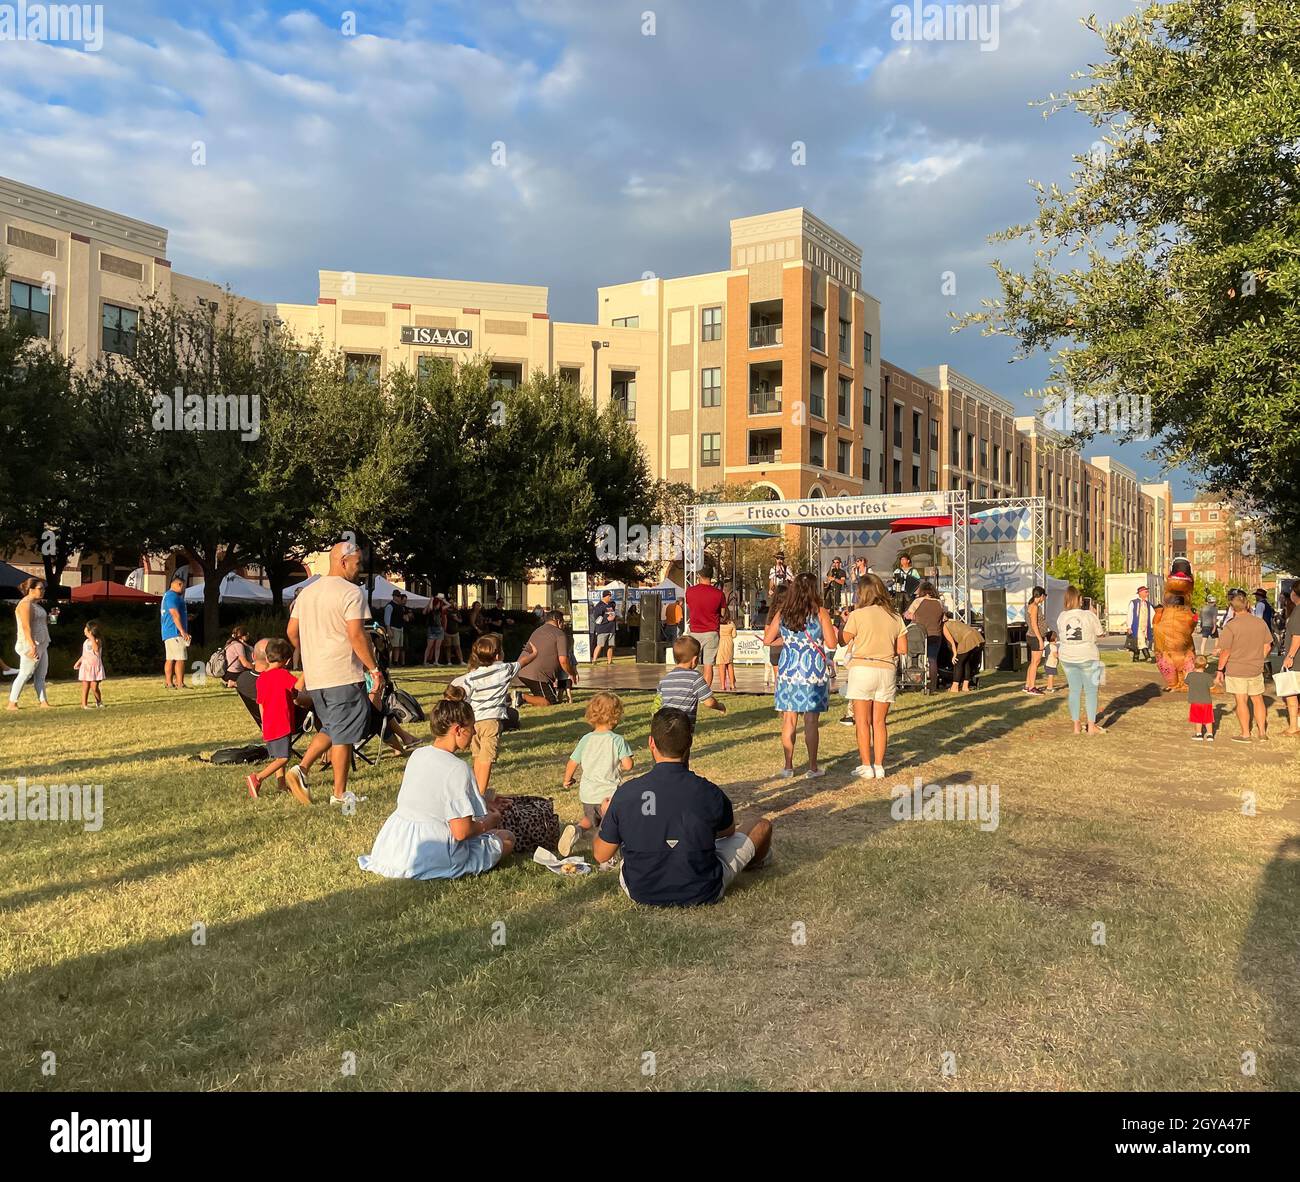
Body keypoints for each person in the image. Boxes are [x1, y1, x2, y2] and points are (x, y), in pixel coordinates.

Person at [592, 707, 773, 907]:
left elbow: (601, 855)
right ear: (689, 743)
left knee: (626, 837)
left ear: (651, 743)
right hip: (703, 889)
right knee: (761, 825)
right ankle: (755, 864)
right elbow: (728, 832)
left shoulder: (626, 793)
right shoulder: (710, 792)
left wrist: (608, 816)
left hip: (640, 889)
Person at [357, 686, 515, 880]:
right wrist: (489, 821)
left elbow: (433, 801)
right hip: (434, 852)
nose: (474, 732)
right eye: (471, 727)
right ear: (458, 730)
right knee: (506, 837)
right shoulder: (457, 768)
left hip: (394, 847)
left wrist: (484, 802)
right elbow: (461, 832)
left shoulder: (418, 754)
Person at [285, 540, 381, 806]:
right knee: (345, 734)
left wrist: (309, 652)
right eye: (357, 563)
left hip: (316, 676)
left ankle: (301, 770)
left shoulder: (307, 593)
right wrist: (373, 668)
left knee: (333, 727)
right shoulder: (351, 592)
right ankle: (339, 794)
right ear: (343, 561)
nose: (359, 568)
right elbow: (356, 635)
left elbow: (291, 631)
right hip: (342, 672)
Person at [763, 571, 833, 780]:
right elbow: (831, 643)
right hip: (813, 672)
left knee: (789, 720)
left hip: (788, 671)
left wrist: (788, 641)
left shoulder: (783, 612)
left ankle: (788, 766)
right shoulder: (820, 613)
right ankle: (812, 767)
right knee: (811, 721)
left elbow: (767, 639)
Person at [840, 573, 908, 778]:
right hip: (886, 669)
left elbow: (843, 639)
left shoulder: (858, 615)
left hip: (862, 668)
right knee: (879, 722)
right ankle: (879, 765)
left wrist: (845, 621)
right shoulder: (895, 616)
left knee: (862, 721)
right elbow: (902, 649)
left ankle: (866, 765)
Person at [451, 634, 538, 792]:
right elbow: (523, 662)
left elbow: (462, 694)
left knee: (477, 756)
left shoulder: (472, 676)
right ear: (498, 655)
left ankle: (474, 790)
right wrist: (533, 654)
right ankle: (481, 794)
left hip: (474, 722)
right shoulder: (504, 670)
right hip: (491, 722)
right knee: (487, 759)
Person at [558, 691, 634, 858]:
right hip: (608, 794)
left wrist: (567, 780)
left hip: (588, 793)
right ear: (616, 717)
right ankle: (606, 857)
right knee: (607, 826)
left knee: (589, 819)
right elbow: (628, 765)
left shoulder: (586, 739)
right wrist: (624, 761)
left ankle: (577, 830)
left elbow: (572, 762)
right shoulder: (617, 740)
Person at [245, 637, 302, 799]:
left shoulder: (261, 678)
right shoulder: (283, 674)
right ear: (287, 660)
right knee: (283, 758)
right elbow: (298, 687)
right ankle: (257, 778)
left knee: (278, 756)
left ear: (267, 657)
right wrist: (306, 673)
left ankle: (281, 785)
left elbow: (261, 703)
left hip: (269, 723)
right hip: (282, 722)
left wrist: (263, 722)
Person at [1214, 590, 1273, 742]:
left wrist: (1220, 670)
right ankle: (1262, 733)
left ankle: (1245, 734)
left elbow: (1225, 651)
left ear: (1232, 608)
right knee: (1258, 699)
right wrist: (1259, 658)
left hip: (1236, 668)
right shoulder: (1260, 623)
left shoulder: (1231, 626)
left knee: (1241, 701)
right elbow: (1268, 645)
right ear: (1247, 605)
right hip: (1255, 667)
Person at [1057, 584, 1106, 735]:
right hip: (1087, 655)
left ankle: (1076, 725)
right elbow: (1100, 633)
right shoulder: (1088, 615)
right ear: (1079, 599)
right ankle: (1091, 726)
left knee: (1074, 690)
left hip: (1067, 656)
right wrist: (1094, 614)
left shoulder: (1062, 616)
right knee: (1091, 691)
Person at [656, 636, 726, 721]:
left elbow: (657, 704)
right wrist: (719, 706)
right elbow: (709, 702)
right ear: (695, 659)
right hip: (683, 725)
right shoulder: (695, 677)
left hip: (663, 724)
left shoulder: (665, 679)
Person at [517, 609, 578, 706]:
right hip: (538, 675)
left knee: (543, 695)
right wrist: (572, 673)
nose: (564, 625)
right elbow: (563, 660)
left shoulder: (538, 630)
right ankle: (521, 697)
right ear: (558, 621)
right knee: (549, 701)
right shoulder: (560, 634)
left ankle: (512, 699)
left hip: (522, 670)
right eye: (563, 622)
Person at [7, 577, 51, 711]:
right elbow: (26, 627)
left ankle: (43, 702)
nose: (43, 591)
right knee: (25, 673)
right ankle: (12, 703)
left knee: (41, 675)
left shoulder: (36, 605)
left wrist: (51, 618)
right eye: (40, 588)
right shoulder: (25, 604)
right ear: (30, 589)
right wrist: (32, 646)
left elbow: (40, 623)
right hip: (30, 643)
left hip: (42, 642)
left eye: (43, 588)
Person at [684, 567, 728, 688]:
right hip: (711, 632)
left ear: (699, 576)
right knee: (708, 665)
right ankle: (705, 692)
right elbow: (723, 613)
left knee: (691, 662)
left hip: (695, 631)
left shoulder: (690, 591)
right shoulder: (719, 594)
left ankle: (691, 688)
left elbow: (690, 605)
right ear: (711, 577)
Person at [904, 580, 945, 694]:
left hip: (919, 634)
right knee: (932, 660)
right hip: (935, 634)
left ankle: (915, 683)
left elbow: (908, 615)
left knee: (915, 658)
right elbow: (944, 618)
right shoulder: (939, 602)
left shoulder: (918, 601)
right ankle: (933, 687)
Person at [160, 573, 191, 689]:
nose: (184, 589)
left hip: (168, 632)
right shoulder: (172, 596)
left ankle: (169, 683)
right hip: (175, 632)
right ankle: (180, 683)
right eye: (183, 586)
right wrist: (182, 631)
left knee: (170, 658)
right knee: (180, 658)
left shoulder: (167, 595)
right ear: (178, 584)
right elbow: (174, 614)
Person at [1278, 584, 1300, 736]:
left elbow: (1297, 637)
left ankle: (1293, 727)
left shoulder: (1298, 611)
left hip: (1296, 658)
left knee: (1291, 692)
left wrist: (1290, 656)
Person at [945, 612, 985, 694]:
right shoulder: (954, 621)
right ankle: (965, 686)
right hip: (978, 637)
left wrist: (954, 654)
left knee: (958, 662)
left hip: (968, 639)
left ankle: (954, 687)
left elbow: (951, 642)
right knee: (966, 662)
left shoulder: (944, 626)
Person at [73, 621, 106, 709]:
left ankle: (99, 702)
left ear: (90, 631)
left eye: (86, 628)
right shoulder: (86, 642)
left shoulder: (97, 641)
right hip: (86, 666)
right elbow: (84, 654)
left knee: (94, 687)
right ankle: (84, 705)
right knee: (85, 686)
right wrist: (79, 662)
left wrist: (91, 637)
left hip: (95, 667)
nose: (84, 629)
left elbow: (96, 649)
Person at [1024, 585, 1047, 695]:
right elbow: (1034, 624)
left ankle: (1027, 685)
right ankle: (1032, 687)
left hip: (1032, 636)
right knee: (1036, 662)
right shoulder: (1034, 607)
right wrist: (1040, 640)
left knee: (1033, 662)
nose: (1044, 598)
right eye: (1044, 596)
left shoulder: (1031, 605)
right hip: (1035, 637)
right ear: (1041, 596)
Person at [1186, 655, 1215, 742]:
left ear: (1194, 664)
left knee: (1197, 718)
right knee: (1208, 719)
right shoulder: (1208, 676)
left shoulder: (1190, 675)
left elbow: (1186, 682)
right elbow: (1212, 686)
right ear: (1206, 666)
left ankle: (1199, 734)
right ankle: (1210, 735)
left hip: (1195, 701)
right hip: (1206, 701)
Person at [591, 589, 618, 666]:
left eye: (610, 596)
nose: (610, 598)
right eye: (609, 596)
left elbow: (612, 614)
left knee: (610, 645)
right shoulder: (599, 606)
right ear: (604, 596)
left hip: (611, 629)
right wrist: (607, 619)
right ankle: (594, 660)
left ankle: (610, 661)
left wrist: (615, 617)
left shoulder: (610, 605)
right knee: (600, 644)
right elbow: (597, 618)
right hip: (603, 629)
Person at [1128, 585, 1154, 662]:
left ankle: (1135, 658)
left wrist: (1152, 626)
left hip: (1145, 626)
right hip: (1137, 626)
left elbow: (1152, 615)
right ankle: (1148, 657)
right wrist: (1129, 626)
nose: (1147, 593)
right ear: (1140, 593)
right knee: (1141, 641)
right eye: (1146, 592)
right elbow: (1130, 614)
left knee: (1140, 642)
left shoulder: (1148, 604)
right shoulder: (1134, 603)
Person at [383, 592, 407, 666]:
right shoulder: (390, 606)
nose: (399, 598)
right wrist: (388, 629)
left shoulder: (399, 606)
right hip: (393, 628)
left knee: (398, 646)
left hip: (400, 627)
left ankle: (395, 661)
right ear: (394, 597)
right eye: (398, 596)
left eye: (399, 596)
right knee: (392, 646)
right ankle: (389, 661)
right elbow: (387, 618)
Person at [717, 605, 737, 692]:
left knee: (721, 664)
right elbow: (734, 635)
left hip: (720, 642)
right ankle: (732, 684)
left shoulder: (717, 623)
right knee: (730, 664)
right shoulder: (731, 623)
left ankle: (722, 685)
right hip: (729, 642)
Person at [423, 594, 447, 665]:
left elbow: (449, 605)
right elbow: (430, 608)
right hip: (432, 629)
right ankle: (425, 661)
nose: (439, 605)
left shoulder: (440, 610)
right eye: (438, 604)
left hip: (439, 629)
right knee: (429, 646)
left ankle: (436, 661)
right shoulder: (431, 610)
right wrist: (431, 600)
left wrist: (443, 600)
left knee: (437, 647)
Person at [443, 600, 465, 666]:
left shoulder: (456, 611)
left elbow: (461, 621)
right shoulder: (445, 611)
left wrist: (456, 619)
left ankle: (461, 661)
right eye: (450, 602)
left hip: (455, 632)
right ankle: (449, 662)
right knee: (448, 647)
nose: (451, 603)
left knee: (457, 647)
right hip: (447, 632)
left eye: (452, 602)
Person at [1040, 629, 1059, 694]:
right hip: (1051, 664)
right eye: (1056, 637)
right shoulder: (1054, 647)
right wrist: (1060, 656)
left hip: (1047, 664)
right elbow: (1055, 655)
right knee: (1051, 676)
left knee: (1049, 676)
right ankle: (1050, 688)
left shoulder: (1047, 646)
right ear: (1055, 638)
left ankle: (1049, 687)